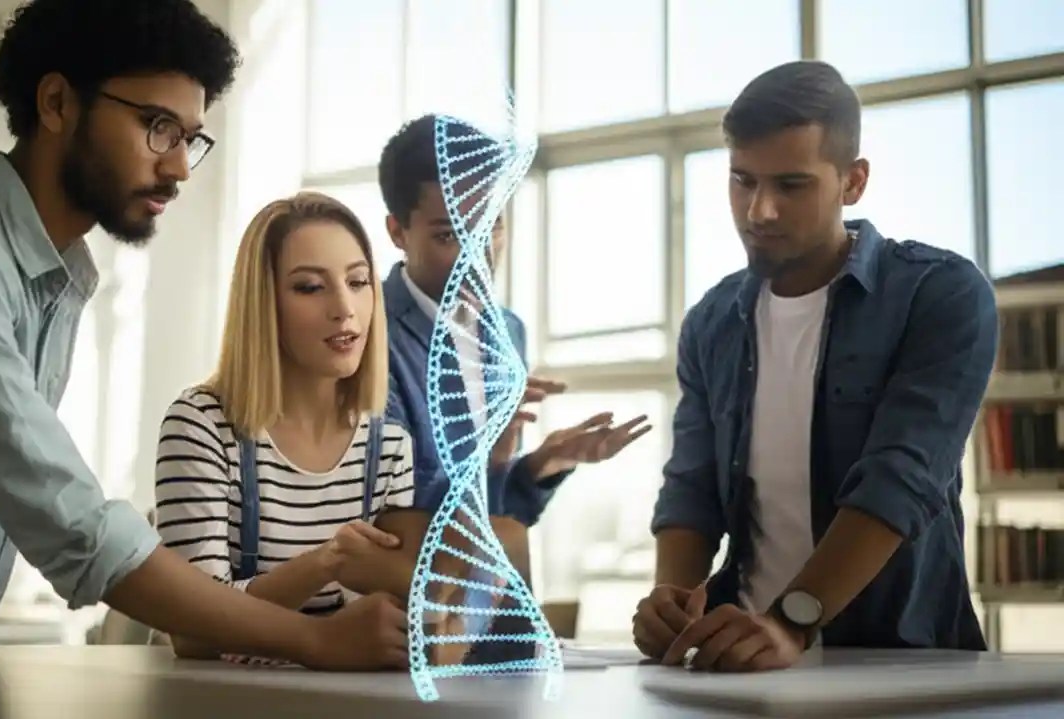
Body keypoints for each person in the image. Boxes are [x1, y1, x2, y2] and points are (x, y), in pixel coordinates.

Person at [0, 0, 406, 669]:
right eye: (157, 127)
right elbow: (74, 526)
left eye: (190, 138)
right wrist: (315, 639)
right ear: (57, 103)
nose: (180, 168)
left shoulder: (57, 276)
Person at [634, 60, 998, 672]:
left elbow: (901, 478)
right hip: (737, 665)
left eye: (791, 185)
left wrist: (791, 622)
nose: (760, 211)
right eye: (743, 181)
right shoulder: (711, 322)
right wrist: (672, 601)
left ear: (852, 182)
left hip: (894, 666)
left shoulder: (941, 295)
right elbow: (691, 488)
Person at [153, 192, 416, 662]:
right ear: (263, 304)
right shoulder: (200, 426)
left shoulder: (391, 447)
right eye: (310, 287)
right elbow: (192, 634)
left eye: (358, 281)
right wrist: (325, 563)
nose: (344, 307)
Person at [376, 114, 651, 527]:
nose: (478, 256)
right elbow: (385, 518)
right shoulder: (367, 336)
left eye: (493, 226)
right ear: (398, 232)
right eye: (449, 235)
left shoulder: (508, 331)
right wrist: (487, 462)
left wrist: (545, 462)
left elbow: (500, 515)